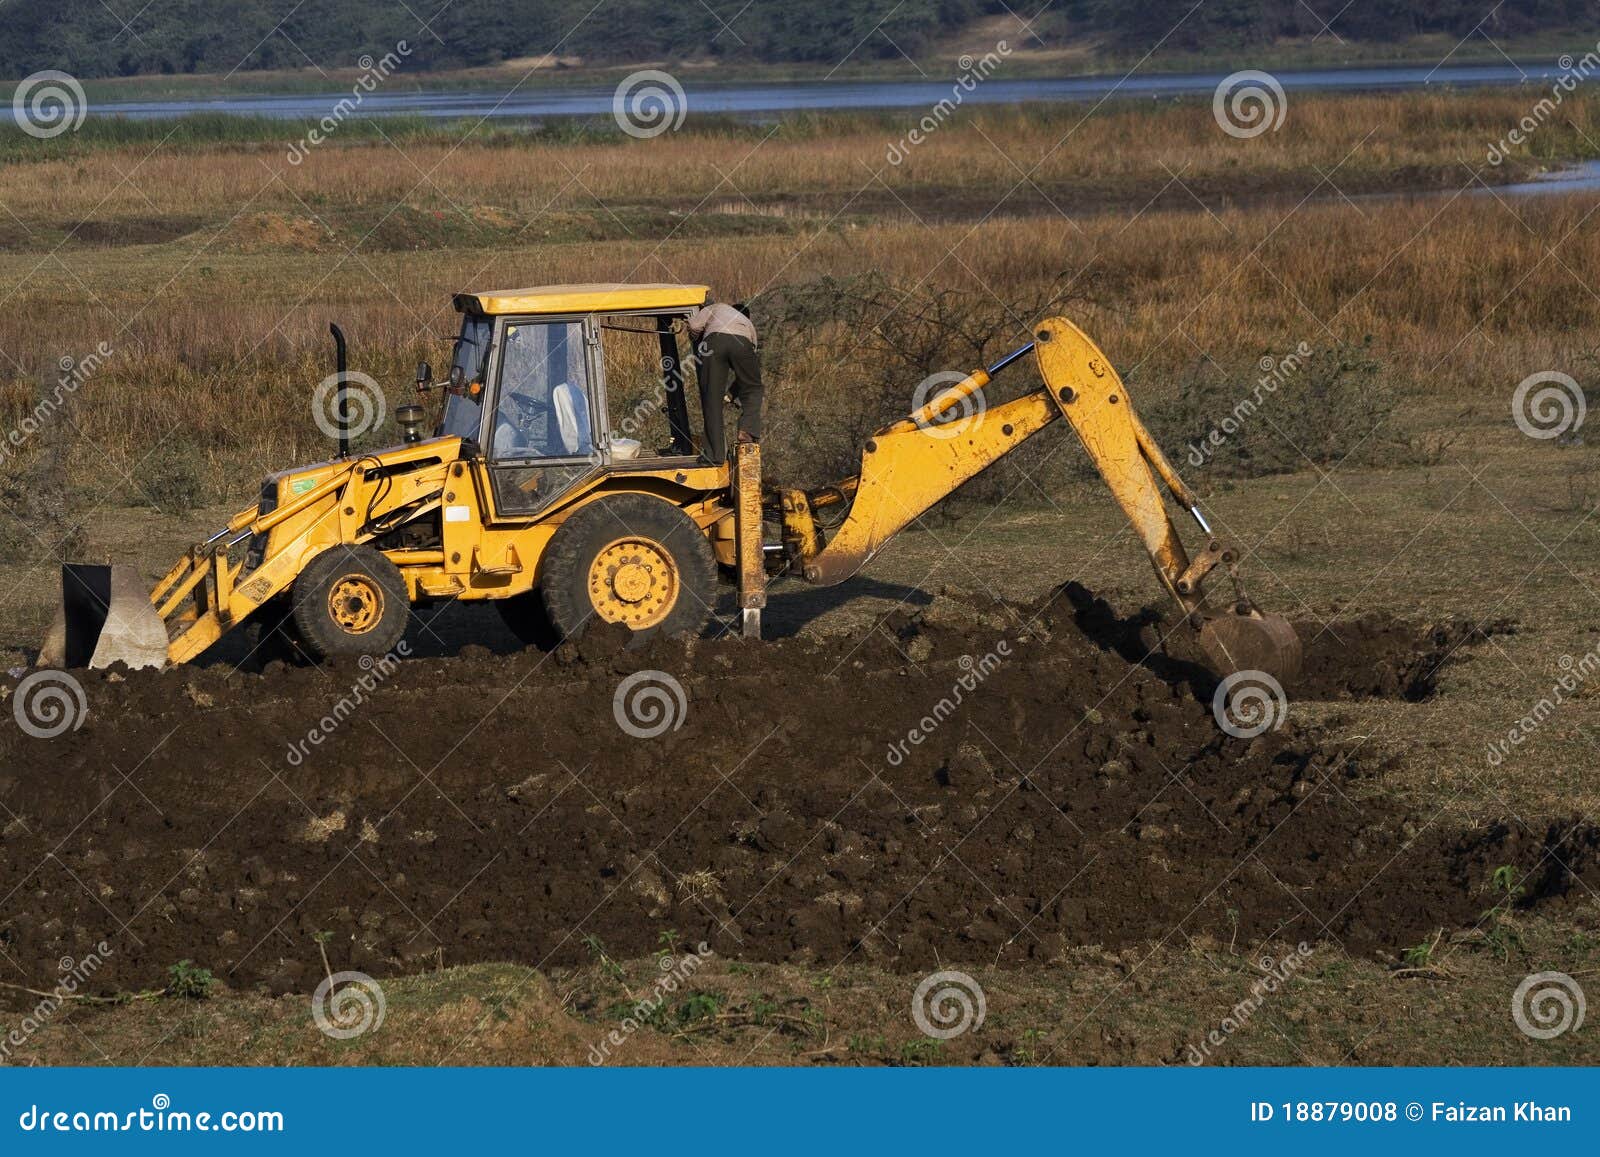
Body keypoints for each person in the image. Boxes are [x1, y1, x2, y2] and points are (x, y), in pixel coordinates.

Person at [685, 297, 763, 464]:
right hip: (743, 343)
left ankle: (714, 455)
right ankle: (747, 430)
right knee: (753, 387)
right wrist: (731, 394)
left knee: (712, 399)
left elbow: (694, 325)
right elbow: (745, 378)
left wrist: (695, 338)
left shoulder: (717, 307)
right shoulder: (748, 324)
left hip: (714, 342)